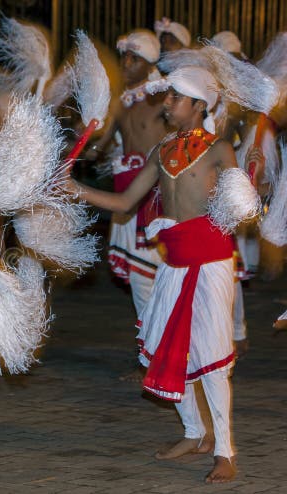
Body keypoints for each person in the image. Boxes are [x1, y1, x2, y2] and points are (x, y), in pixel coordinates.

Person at [67, 67, 252, 483]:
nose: (166, 103)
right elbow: (125, 202)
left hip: (210, 262)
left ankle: (225, 449)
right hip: (174, 261)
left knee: (210, 354)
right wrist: (75, 189)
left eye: (174, 98)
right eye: (167, 96)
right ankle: (194, 432)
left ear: (199, 106)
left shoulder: (219, 150)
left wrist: (244, 195)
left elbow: (238, 206)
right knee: (161, 342)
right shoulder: (162, 151)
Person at [90, 31, 168, 330]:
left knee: (158, 273)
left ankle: (161, 352)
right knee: (140, 277)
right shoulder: (120, 104)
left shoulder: (164, 98)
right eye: (124, 56)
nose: (125, 62)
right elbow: (100, 147)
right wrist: (82, 141)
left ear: (150, 64)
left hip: (158, 196)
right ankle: (149, 353)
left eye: (134, 58)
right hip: (128, 195)